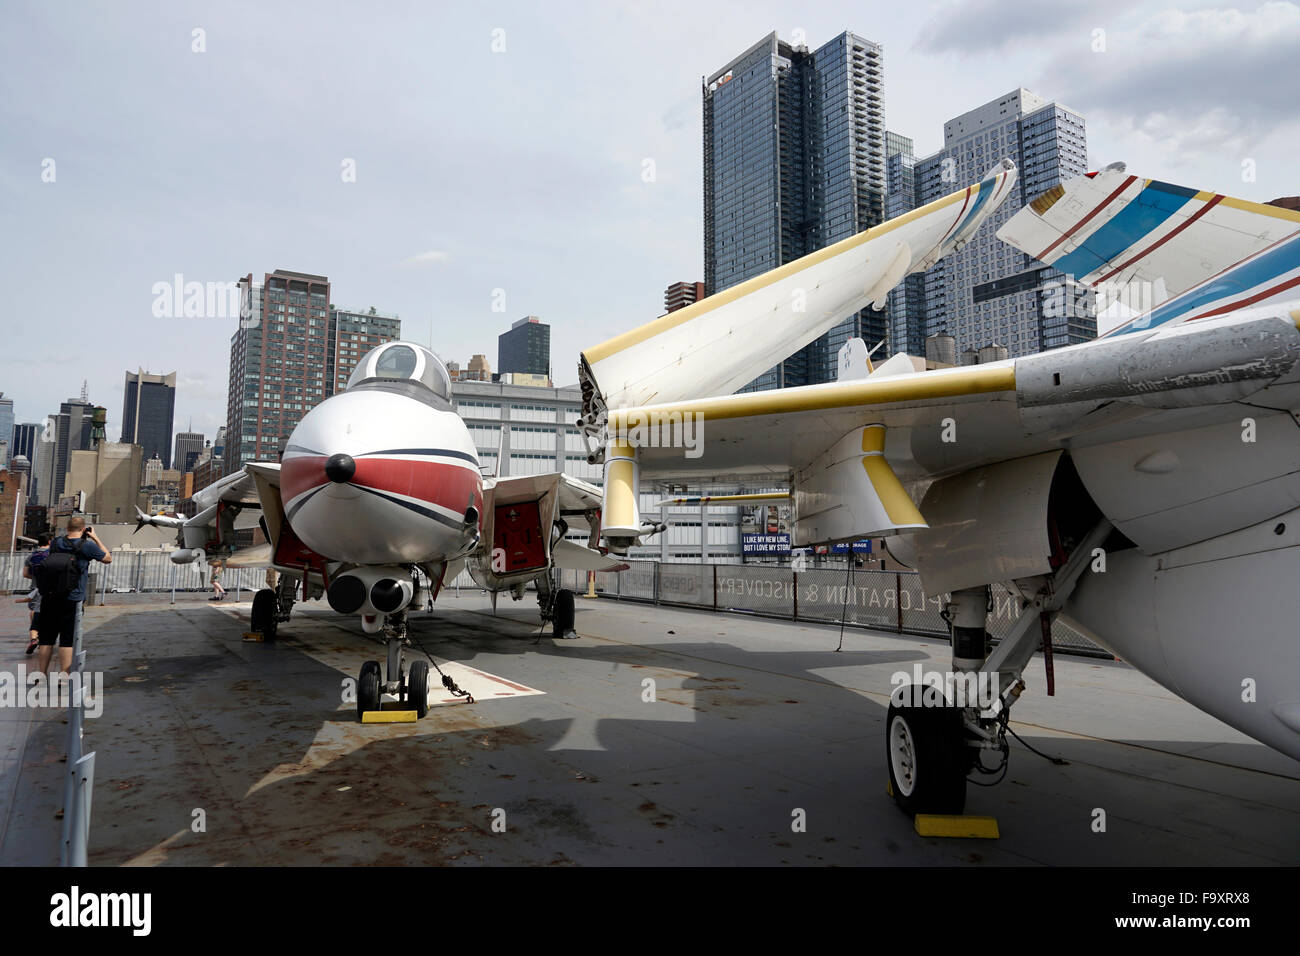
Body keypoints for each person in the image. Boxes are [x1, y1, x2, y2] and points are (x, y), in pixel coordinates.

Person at [34, 517, 111, 677]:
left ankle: (41, 675)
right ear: (83, 529)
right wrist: (95, 537)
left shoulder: (55, 543)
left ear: (67, 528)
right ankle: (64, 676)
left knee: (46, 639)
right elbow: (107, 558)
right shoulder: (87, 545)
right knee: (66, 640)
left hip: (50, 596)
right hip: (72, 597)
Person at [20, 533, 52, 655]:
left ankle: (34, 637)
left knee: (34, 611)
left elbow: (25, 574)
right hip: (49, 588)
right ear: (49, 541)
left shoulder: (31, 556)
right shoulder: (51, 555)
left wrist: (36, 578)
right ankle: (44, 637)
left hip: (35, 587)